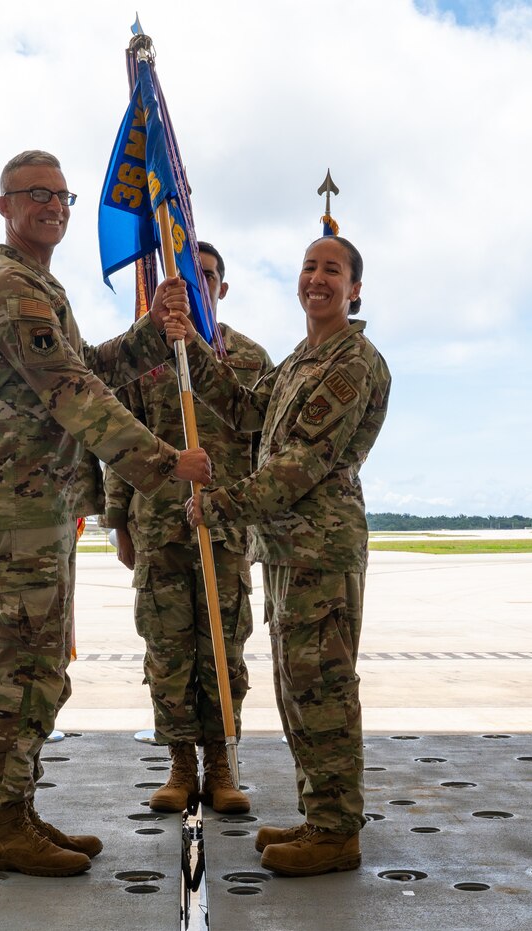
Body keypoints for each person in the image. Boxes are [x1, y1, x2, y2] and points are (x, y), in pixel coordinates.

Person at [0, 149, 211, 877]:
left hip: (43, 502)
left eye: (63, 196)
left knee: (40, 664)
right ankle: (6, 822)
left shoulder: (38, 284)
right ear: (4, 205)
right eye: (36, 194)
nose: (54, 206)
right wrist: (168, 464)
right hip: (21, 505)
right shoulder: (10, 287)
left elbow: (86, 370)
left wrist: (149, 333)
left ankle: (20, 812)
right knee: (23, 664)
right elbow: (74, 393)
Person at [181, 235, 391, 877]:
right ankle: (319, 815)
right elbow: (248, 410)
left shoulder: (350, 363)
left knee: (324, 691)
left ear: (354, 288)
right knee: (298, 692)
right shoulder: (303, 357)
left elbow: (300, 465)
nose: (317, 278)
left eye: (333, 269)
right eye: (309, 267)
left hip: (320, 552)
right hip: (287, 550)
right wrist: (190, 342)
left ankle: (335, 832)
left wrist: (220, 505)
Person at [105, 242, 272, 814]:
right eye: (185, 277)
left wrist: (255, 524)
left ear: (222, 288)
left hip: (224, 533)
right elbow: (118, 443)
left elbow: (265, 448)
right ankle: (179, 764)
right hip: (158, 528)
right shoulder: (145, 357)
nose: (196, 285)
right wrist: (117, 523)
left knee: (224, 652)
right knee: (168, 653)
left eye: (207, 276)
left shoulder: (248, 360)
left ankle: (221, 766)